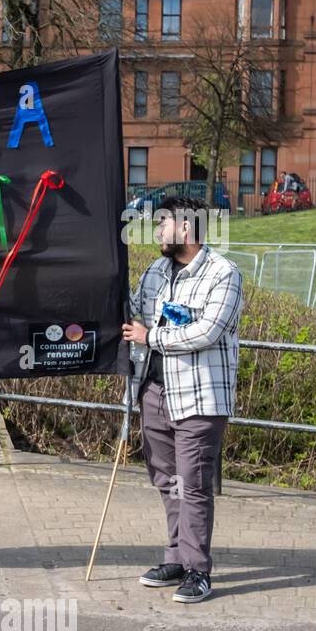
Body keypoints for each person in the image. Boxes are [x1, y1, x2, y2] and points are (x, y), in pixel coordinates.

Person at [122, 196, 244, 604]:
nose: (157, 232)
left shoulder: (223, 274)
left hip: (199, 399)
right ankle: (176, 556)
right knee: (167, 481)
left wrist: (150, 336)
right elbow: (135, 310)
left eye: (163, 225)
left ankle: (198, 570)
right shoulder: (157, 271)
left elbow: (206, 332)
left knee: (192, 484)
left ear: (186, 229)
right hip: (154, 393)